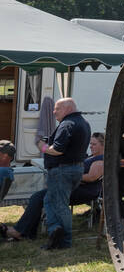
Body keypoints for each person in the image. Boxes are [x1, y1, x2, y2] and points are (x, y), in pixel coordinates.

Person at [0, 133, 104, 244]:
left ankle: (22, 232)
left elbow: (92, 177)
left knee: (39, 197)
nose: (91, 146)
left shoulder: (100, 159)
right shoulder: (91, 157)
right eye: (90, 144)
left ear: (103, 145)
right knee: (38, 197)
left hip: (83, 191)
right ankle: (26, 231)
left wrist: (69, 176)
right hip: (71, 188)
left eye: (94, 144)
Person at [37, 98, 91, 250]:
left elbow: (58, 149)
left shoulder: (67, 124)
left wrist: (43, 147)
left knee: (60, 205)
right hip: (76, 169)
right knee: (49, 199)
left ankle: (64, 241)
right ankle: (55, 228)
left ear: (67, 108)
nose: (54, 112)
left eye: (57, 109)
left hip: (63, 170)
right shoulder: (83, 122)